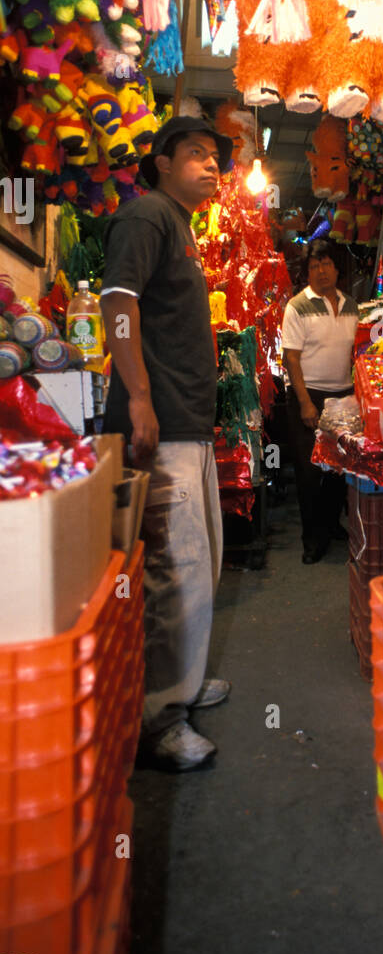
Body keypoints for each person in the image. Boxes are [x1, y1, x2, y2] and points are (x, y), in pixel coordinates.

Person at [100, 115, 233, 772]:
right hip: (161, 423)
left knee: (201, 563)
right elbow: (117, 303)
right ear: (160, 161)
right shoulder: (146, 217)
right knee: (174, 572)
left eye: (215, 159)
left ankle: (185, 677)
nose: (212, 167)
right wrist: (142, 400)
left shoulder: (180, 226)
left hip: (189, 422)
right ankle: (162, 716)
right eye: (197, 155)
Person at [282, 238, 359, 564]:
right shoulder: (297, 306)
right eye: (314, 266)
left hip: (343, 395)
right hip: (308, 394)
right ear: (307, 272)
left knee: (337, 468)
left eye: (326, 264)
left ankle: (331, 526)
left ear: (337, 268)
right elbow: (291, 359)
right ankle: (312, 540)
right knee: (310, 470)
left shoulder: (351, 305)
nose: (321, 271)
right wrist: (304, 403)